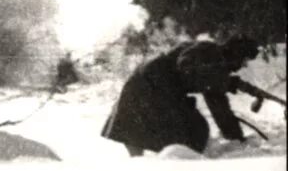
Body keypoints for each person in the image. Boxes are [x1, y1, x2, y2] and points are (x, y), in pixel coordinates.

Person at [101, 38, 251, 156]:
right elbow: (216, 100)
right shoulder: (212, 56)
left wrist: (226, 82)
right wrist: (236, 138)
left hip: (146, 79)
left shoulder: (212, 55)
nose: (244, 66)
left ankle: (145, 165)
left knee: (138, 127)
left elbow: (210, 91)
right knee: (194, 130)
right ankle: (172, 167)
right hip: (155, 84)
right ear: (236, 55)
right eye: (245, 60)